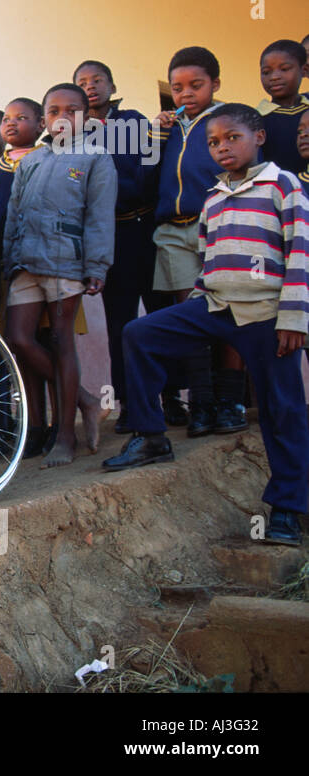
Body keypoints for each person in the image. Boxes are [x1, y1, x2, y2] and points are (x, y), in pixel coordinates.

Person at [105, 103, 309, 548]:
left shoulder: (284, 185)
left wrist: (294, 318)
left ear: (258, 137)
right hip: (214, 305)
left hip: (266, 315)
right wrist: (199, 298)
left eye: (232, 137)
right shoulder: (213, 197)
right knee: (140, 333)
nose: (222, 148)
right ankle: (151, 434)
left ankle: (289, 510)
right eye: (213, 142)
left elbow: (300, 255)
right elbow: (207, 257)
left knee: (283, 409)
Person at [2, 84, 116, 467]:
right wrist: (7, 261)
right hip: (25, 264)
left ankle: (65, 436)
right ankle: (84, 398)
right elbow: (13, 215)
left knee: (62, 341)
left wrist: (97, 266)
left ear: (87, 117)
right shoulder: (31, 161)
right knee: (19, 338)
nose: (62, 117)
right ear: (45, 118)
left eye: (72, 110)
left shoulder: (96, 158)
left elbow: (99, 217)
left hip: (67, 261)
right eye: (53, 111)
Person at [146, 46, 234, 438]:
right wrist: (156, 134)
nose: (186, 95)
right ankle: (202, 402)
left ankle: (230, 401)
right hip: (174, 232)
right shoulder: (169, 128)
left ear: (215, 84)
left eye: (196, 86)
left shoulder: (227, 121)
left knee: (229, 309)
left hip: (217, 224)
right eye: (178, 88)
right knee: (191, 314)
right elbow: (146, 173)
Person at [73, 59, 162, 435]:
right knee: (119, 323)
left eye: (98, 80)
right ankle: (128, 405)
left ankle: (170, 399)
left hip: (147, 230)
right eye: (83, 82)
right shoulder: (74, 135)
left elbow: (151, 170)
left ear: (112, 85)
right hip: (111, 237)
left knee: (162, 315)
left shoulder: (134, 121)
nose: (91, 86)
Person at [0, 97, 41, 325]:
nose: (11, 123)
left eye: (21, 118)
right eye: (6, 120)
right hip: (8, 264)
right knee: (13, 333)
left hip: (48, 259)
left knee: (52, 334)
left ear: (41, 124)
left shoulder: (51, 160)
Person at [257, 39, 308, 174]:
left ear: (304, 70)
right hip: (279, 192)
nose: (274, 77)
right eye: (266, 72)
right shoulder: (256, 119)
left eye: (284, 69)